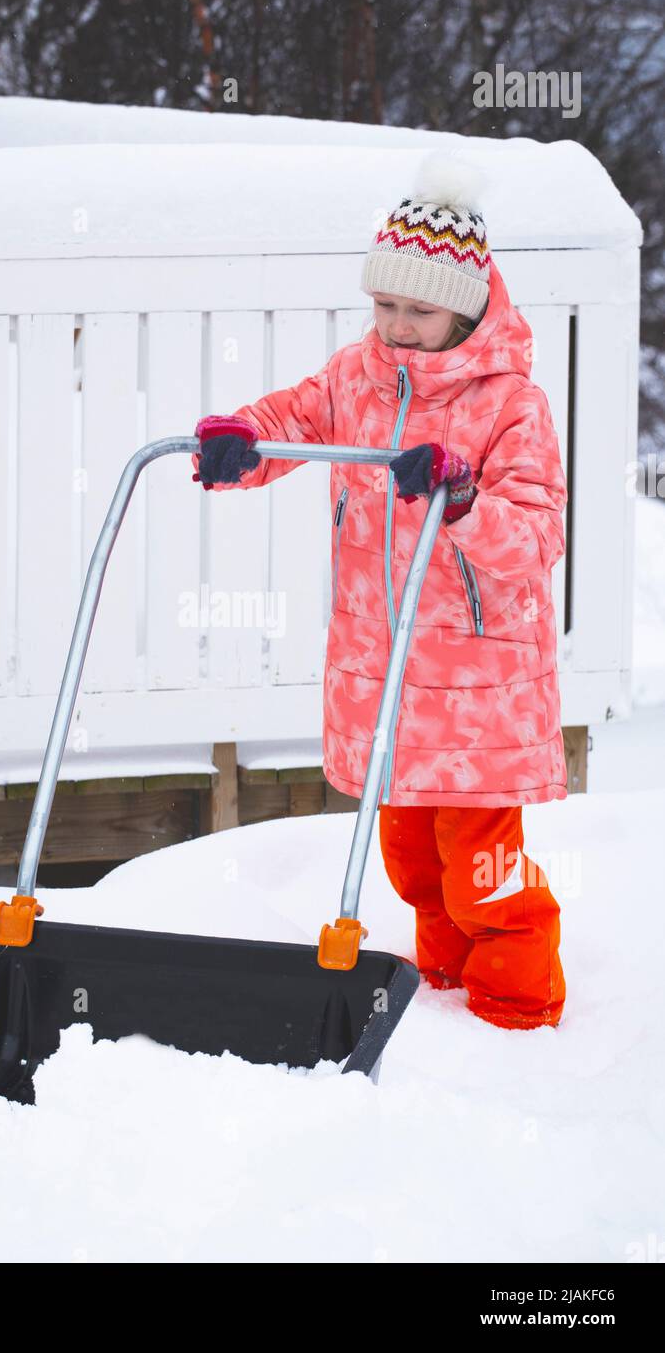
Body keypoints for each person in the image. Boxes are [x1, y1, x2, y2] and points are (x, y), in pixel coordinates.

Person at [191, 153, 568, 1031]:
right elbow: (295, 421)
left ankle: (518, 1015)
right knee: (412, 865)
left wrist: (461, 495)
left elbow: (535, 538)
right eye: (384, 304)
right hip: (387, 679)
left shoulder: (512, 406)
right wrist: (242, 440)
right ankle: (443, 996)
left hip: (480, 693)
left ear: (466, 308)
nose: (396, 326)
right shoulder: (356, 379)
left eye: (419, 309)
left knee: (483, 874)